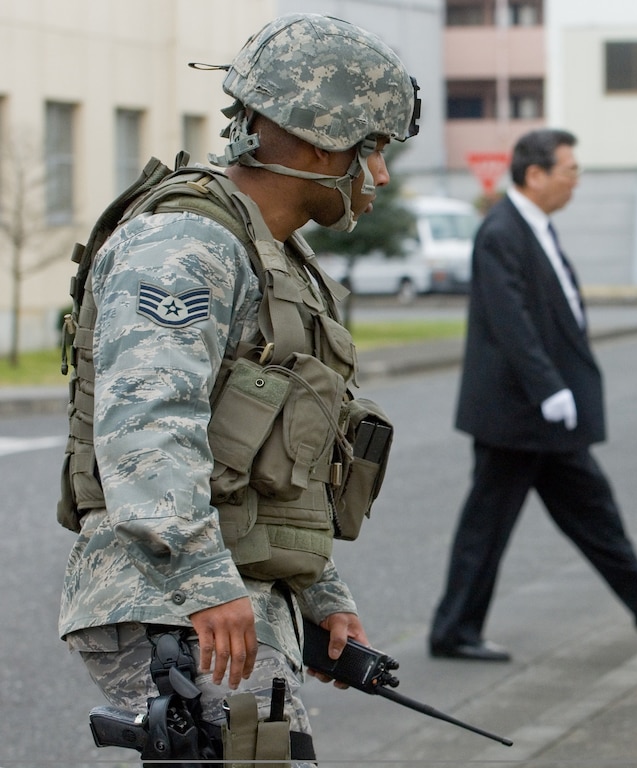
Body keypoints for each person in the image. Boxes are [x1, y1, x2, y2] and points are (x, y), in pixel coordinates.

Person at [56, 14, 419, 764]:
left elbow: (277, 460)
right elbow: (147, 427)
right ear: (323, 139)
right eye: (373, 148)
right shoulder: (186, 242)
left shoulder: (270, 253)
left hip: (224, 591)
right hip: (173, 597)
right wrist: (202, 579)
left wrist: (321, 598)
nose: (379, 174)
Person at [429, 128, 637, 662]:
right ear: (535, 175)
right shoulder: (503, 232)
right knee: (487, 525)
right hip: (518, 414)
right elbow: (511, 323)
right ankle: (453, 630)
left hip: (541, 415)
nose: (576, 182)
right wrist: (550, 388)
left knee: (592, 509)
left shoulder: (533, 227)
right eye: (570, 170)